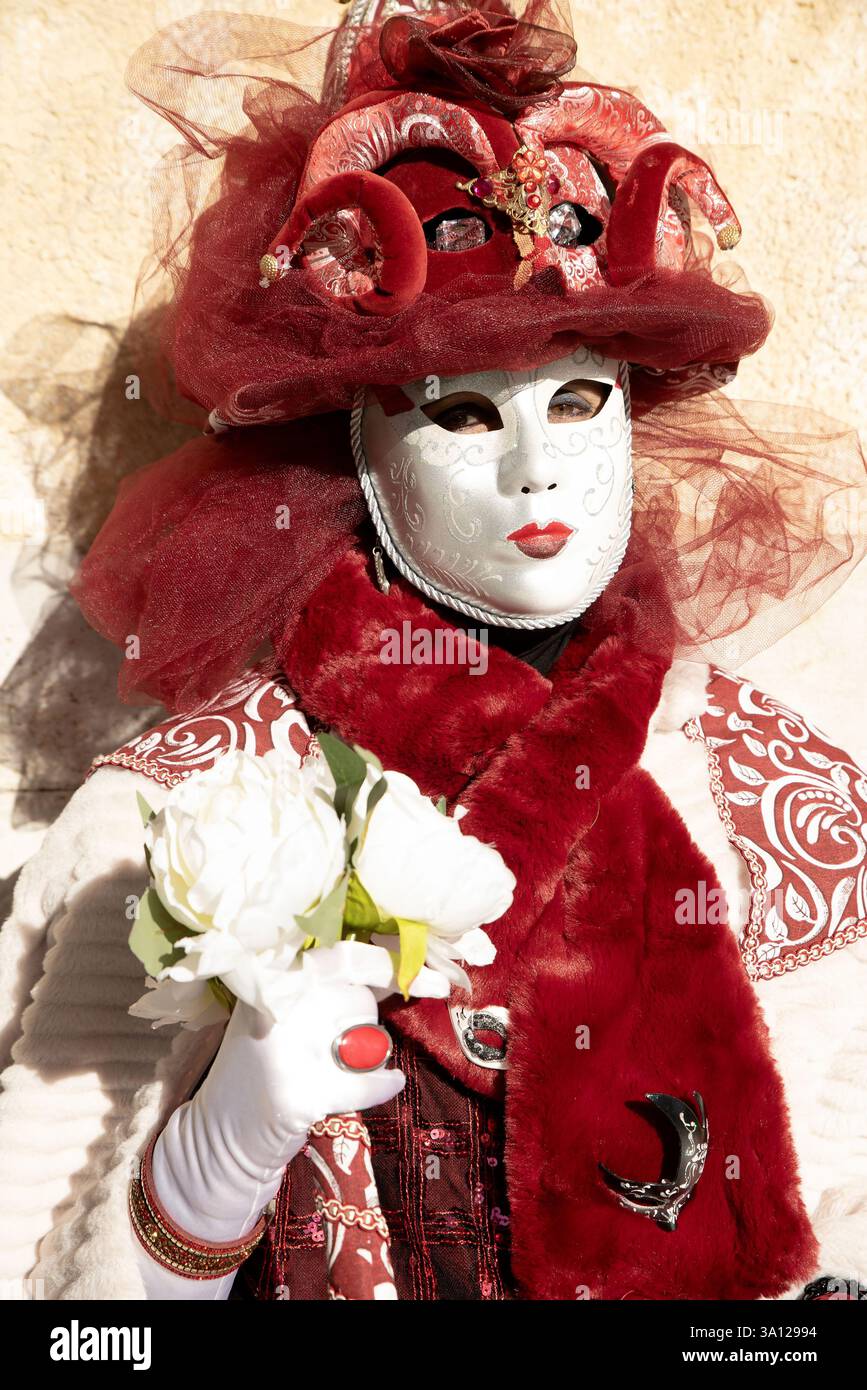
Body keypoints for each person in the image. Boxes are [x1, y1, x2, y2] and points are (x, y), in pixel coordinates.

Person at [1, 0, 866, 1302]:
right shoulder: (185, 815)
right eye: (463, 411)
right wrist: (213, 1161)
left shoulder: (760, 781)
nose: (539, 469)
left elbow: (843, 1198)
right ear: (356, 438)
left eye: (581, 397)